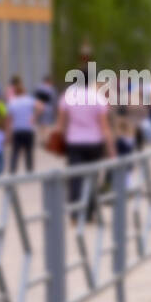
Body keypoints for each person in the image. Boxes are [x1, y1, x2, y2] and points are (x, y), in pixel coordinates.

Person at [57, 70, 113, 212]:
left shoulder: (67, 98)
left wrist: (59, 141)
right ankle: (89, 211)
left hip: (74, 142)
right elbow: (104, 127)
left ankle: (75, 212)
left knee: (75, 177)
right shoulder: (98, 98)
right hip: (94, 143)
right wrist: (112, 150)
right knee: (92, 176)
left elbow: (61, 125)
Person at [6, 76, 38, 174]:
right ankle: (29, 170)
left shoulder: (12, 102)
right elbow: (41, 107)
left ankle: (13, 170)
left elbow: (9, 119)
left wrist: (8, 133)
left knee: (15, 152)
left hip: (17, 129)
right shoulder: (29, 100)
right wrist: (34, 116)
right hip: (28, 129)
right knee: (28, 151)